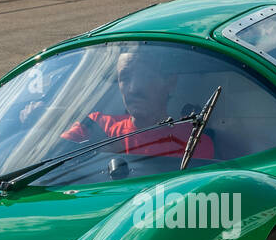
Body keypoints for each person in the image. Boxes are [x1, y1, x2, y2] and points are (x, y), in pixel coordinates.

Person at [61, 50, 215, 160]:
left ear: (170, 83)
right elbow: (51, 156)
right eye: (125, 77)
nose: (134, 88)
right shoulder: (96, 126)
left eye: (145, 76)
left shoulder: (193, 141)